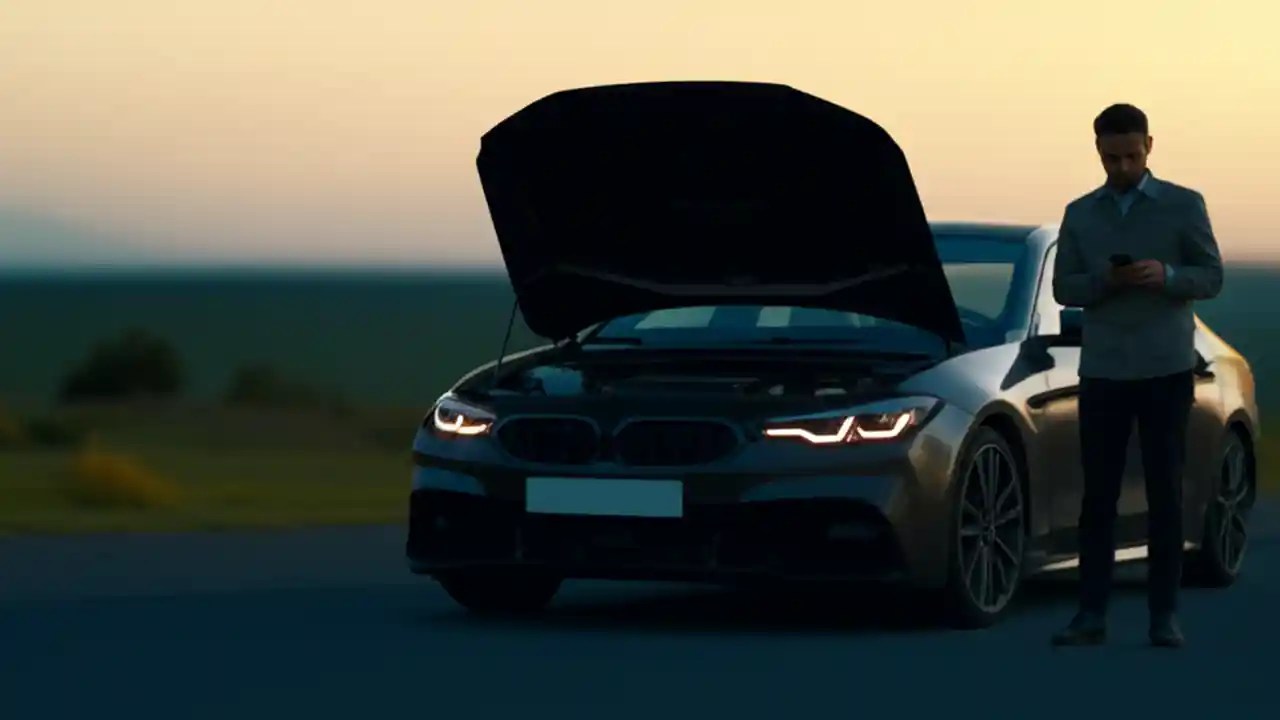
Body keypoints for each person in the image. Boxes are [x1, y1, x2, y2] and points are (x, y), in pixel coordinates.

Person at [1049, 103, 1223, 648]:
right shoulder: (1080, 214)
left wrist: (1166, 274)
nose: (1121, 167)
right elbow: (1063, 289)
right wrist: (1107, 279)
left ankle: (1163, 615)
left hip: (1165, 369)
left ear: (1150, 145)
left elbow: (1211, 276)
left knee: (1163, 492)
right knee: (1096, 496)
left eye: (1130, 155)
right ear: (1096, 149)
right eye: (1110, 157)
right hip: (1102, 372)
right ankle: (1090, 614)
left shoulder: (1183, 205)